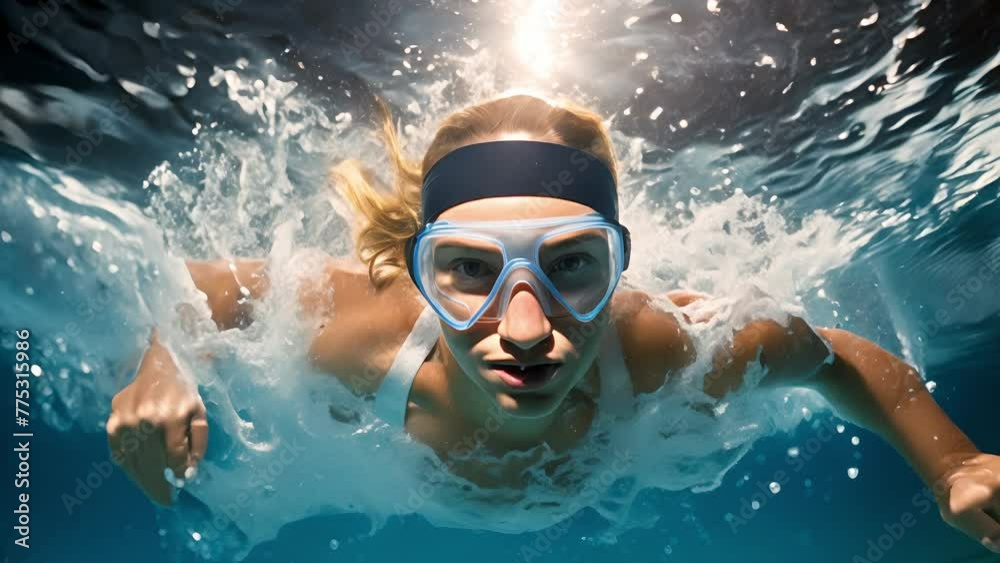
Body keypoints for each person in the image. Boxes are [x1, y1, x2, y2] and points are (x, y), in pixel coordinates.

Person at [106, 94, 1000, 552]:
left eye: (573, 265)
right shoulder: (355, 330)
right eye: (470, 269)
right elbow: (189, 287)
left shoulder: (663, 349)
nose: (527, 327)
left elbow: (834, 356)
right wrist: (162, 358)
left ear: (619, 270)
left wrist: (953, 463)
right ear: (419, 273)